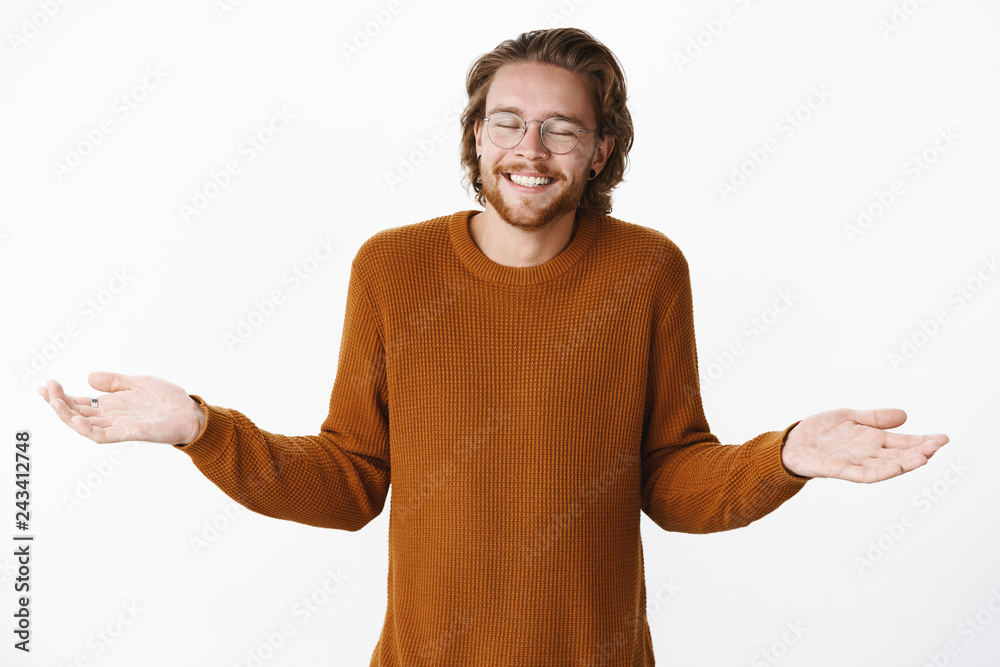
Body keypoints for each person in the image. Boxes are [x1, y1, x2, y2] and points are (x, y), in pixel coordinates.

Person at [39, 27, 948, 667]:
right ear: (476, 137)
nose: (530, 147)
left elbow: (671, 478)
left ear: (601, 151)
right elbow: (353, 479)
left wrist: (783, 454)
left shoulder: (648, 271)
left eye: (562, 127)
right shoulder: (391, 269)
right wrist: (203, 428)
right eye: (508, 121)